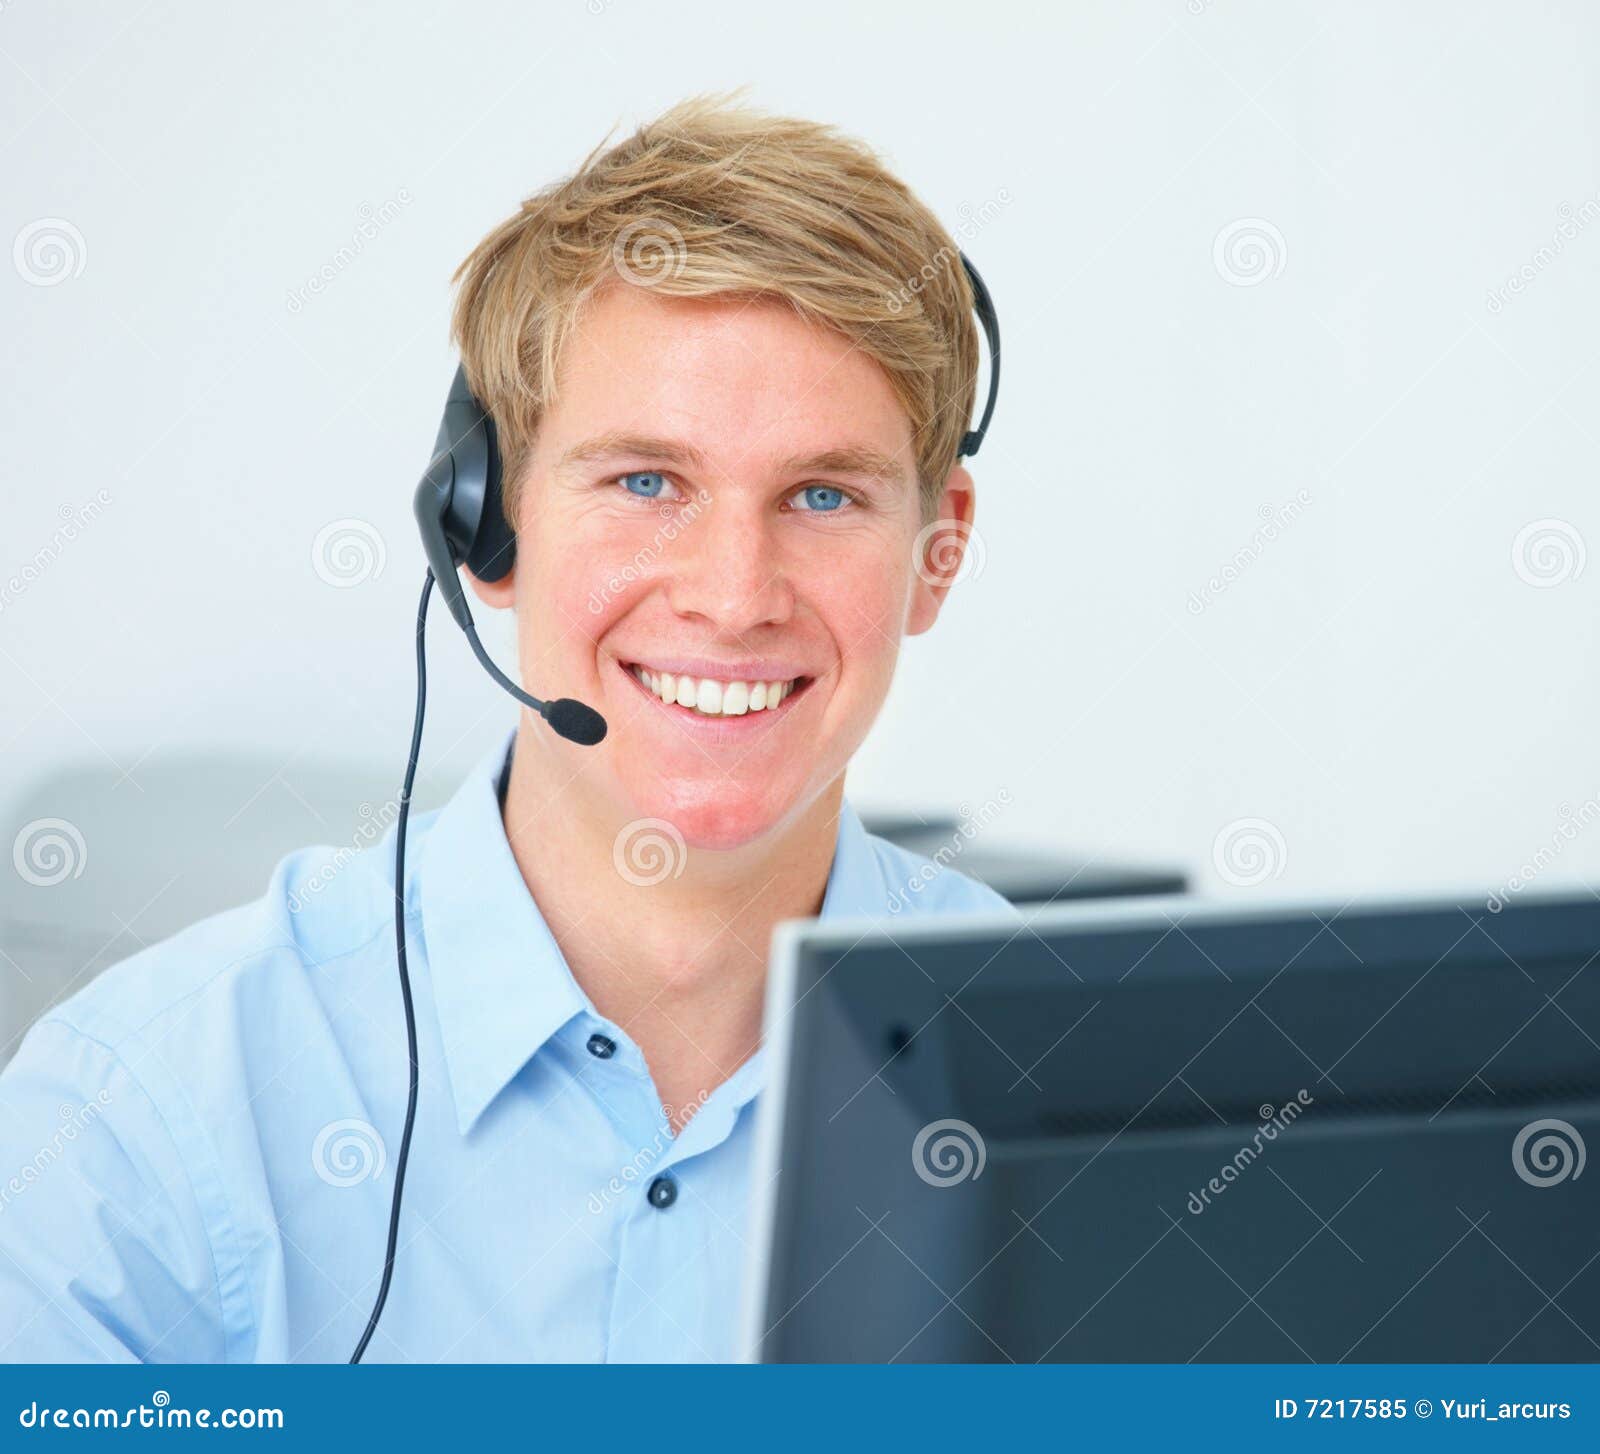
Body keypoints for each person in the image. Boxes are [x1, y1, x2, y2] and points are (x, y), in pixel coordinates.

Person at [0, 96, 1009, 1363]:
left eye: (823, 493)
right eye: (646, 481)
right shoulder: (133, 1120)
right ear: (483, 527)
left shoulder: (1125, 1075)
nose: (734, 593)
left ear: (936, 550)